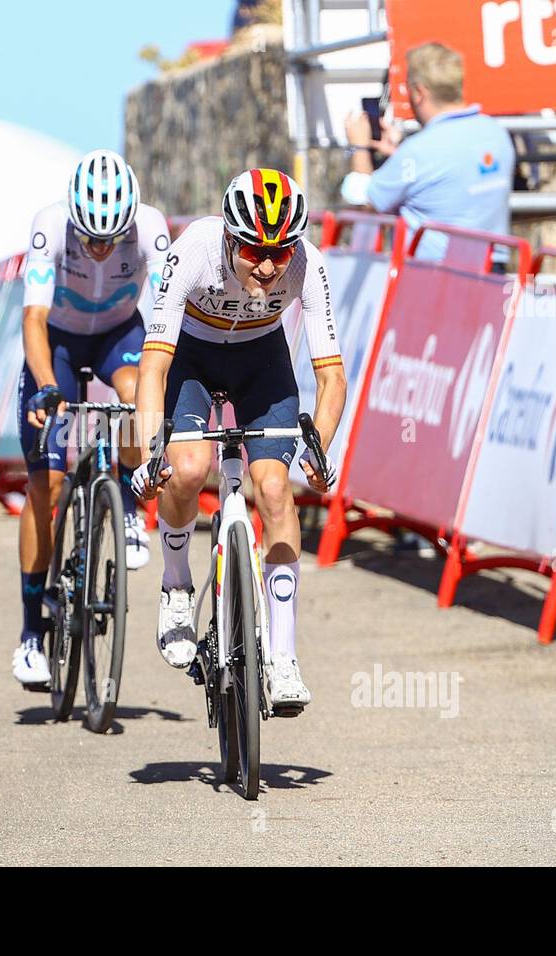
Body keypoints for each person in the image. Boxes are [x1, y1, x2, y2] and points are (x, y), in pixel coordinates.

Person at [131, 168, 345, 714]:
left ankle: (283, 656)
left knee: (273, 489)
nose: (269, 267)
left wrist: (318, 448)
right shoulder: (193, 251)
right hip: (192, 359)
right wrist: (151, 448)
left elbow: (331, 376)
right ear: (229, 236)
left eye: (280, 252)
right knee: (187, 468)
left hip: (260, 360)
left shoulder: (308, 264)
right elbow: (154, 367)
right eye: (253, 251)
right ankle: (176, 583)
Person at [12, 148, 171, 686]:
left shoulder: (150, 226)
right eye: (90, 239)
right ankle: (31, 634)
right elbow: (34, 318)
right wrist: (47, 388)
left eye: (111, 239)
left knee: (134, 393)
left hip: (117, 335)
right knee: (47, 485)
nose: (101, 250)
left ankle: (127, 507)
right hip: (56, 341)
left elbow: (168, 307)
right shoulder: (50, 225)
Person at [340, 42, 514, 261]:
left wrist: (359, 146)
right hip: (492, 271)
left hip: (436, 276)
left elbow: (365, 206)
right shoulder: (496, 133)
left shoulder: (418, 152)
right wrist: (401, 155)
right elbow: (448, 174)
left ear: (419, 92)